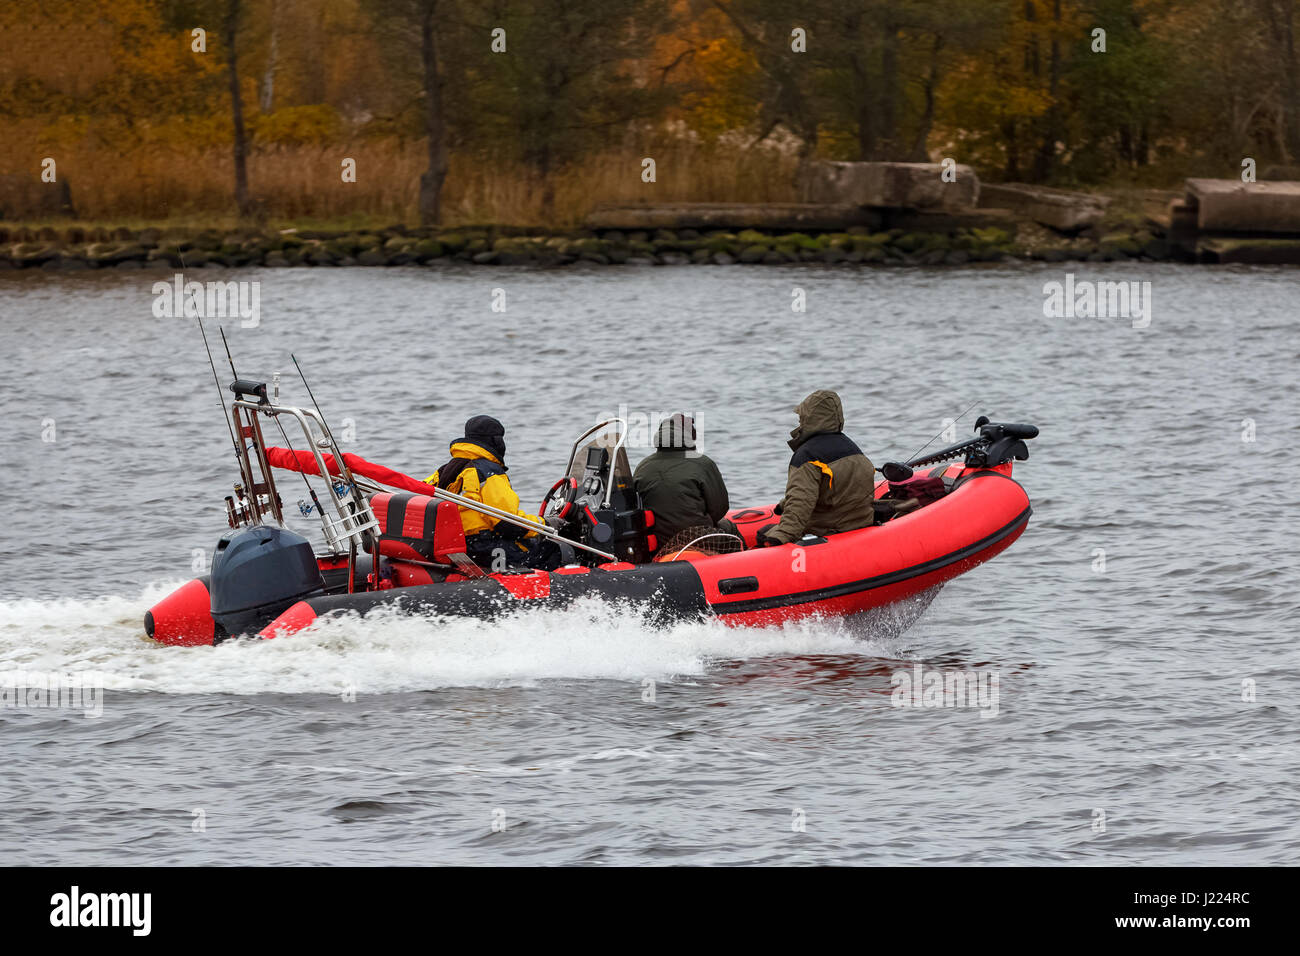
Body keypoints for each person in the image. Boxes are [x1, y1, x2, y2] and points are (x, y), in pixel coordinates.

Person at [759, 390, 876, 546]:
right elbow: (830, 490)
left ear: (809, 418)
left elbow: (801, 501)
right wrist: (784, 504)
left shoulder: (807, 456)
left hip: (828, 531)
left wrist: (782, 535)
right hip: (861, 524)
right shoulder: (852, 448)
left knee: (763, 533)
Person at [425, 415, 543, 566]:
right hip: (483, 548)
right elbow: (507, 523)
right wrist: (543, 525)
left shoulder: (443, 471)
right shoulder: (488, 472)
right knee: (553, 550)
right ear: (496, 441)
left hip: (455, 546)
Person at [633, 413, 734, 551]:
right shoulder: (703, 463)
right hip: (698, 539)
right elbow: (720, 508)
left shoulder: (642, 466)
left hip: (660, 544)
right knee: (729, 526)